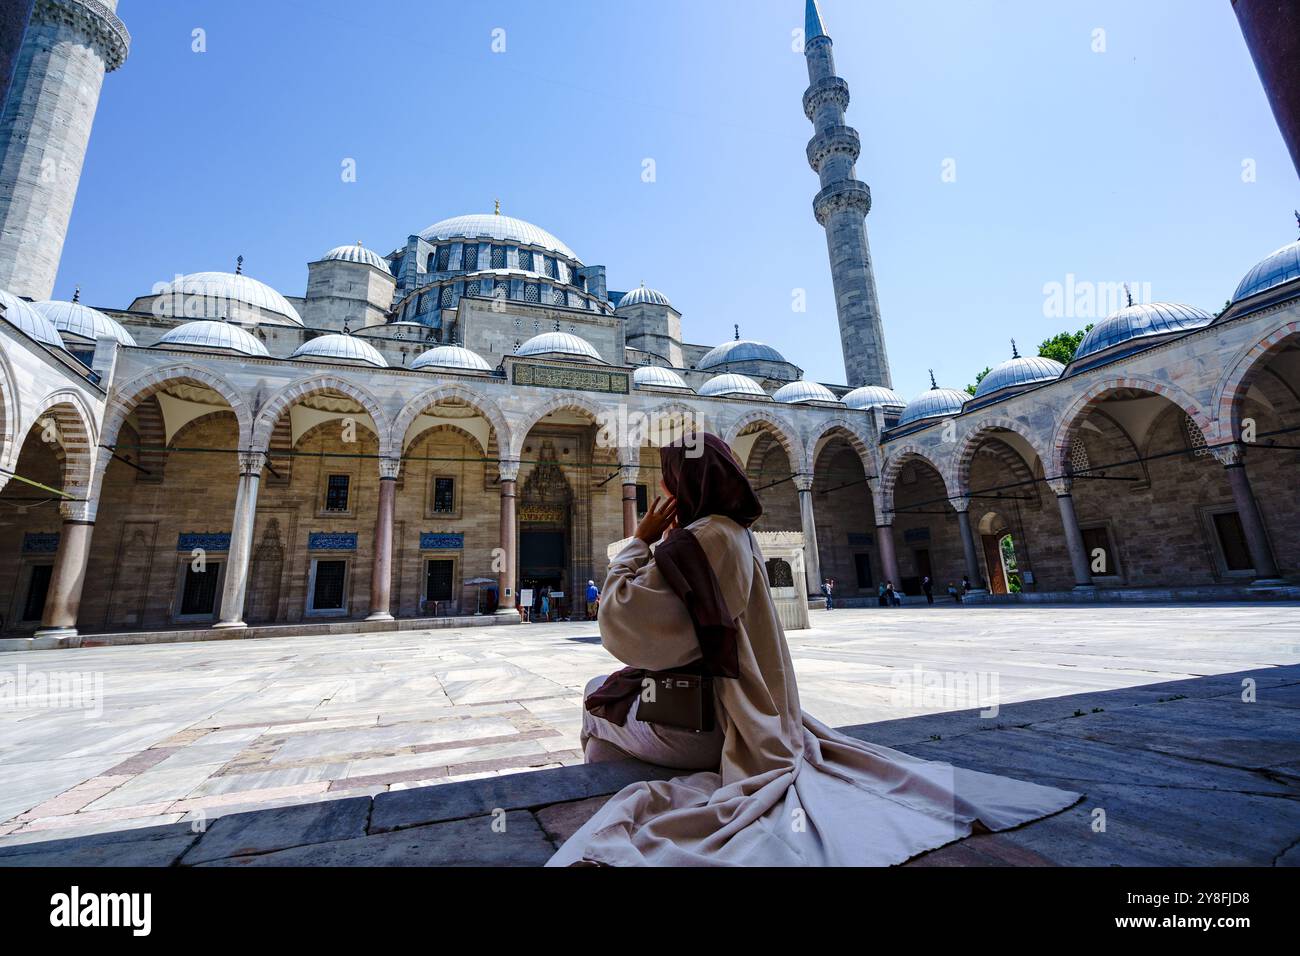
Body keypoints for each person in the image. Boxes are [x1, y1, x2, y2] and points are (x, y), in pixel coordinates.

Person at [552, 432, 1078, 867]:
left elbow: (621, 625)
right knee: (617, 701)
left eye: (667, 476)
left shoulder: (696, 540)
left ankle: (611, 796)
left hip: (712, 727)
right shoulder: (736, 535)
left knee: (597, 697)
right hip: (764, 723)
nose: (662, 487)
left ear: (686, 481)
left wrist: (637, 544)